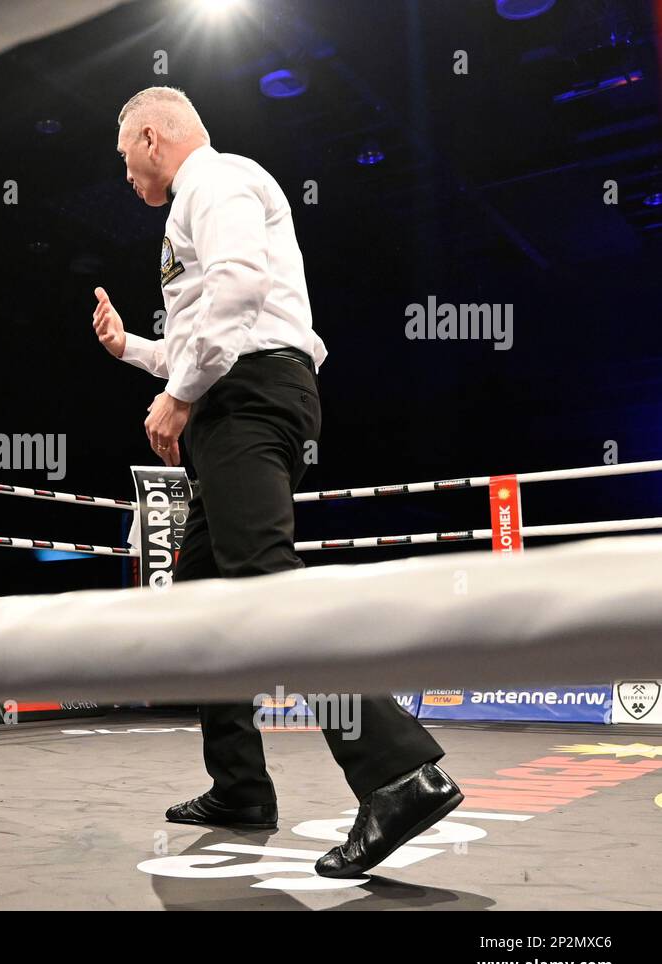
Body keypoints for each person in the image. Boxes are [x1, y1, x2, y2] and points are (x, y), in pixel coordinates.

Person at [93, 87, 462, 878]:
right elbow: (202, 332)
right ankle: (240, 788)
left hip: (247, 400)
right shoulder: (192, 202)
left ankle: (399, 774)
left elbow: (238, 292)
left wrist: (181, 395)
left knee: (264, 580)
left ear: (152, 137)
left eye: (125, 157)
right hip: (239, 393)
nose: (124, 175)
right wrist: (133, 350)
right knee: (205, 601)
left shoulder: (217, 180)